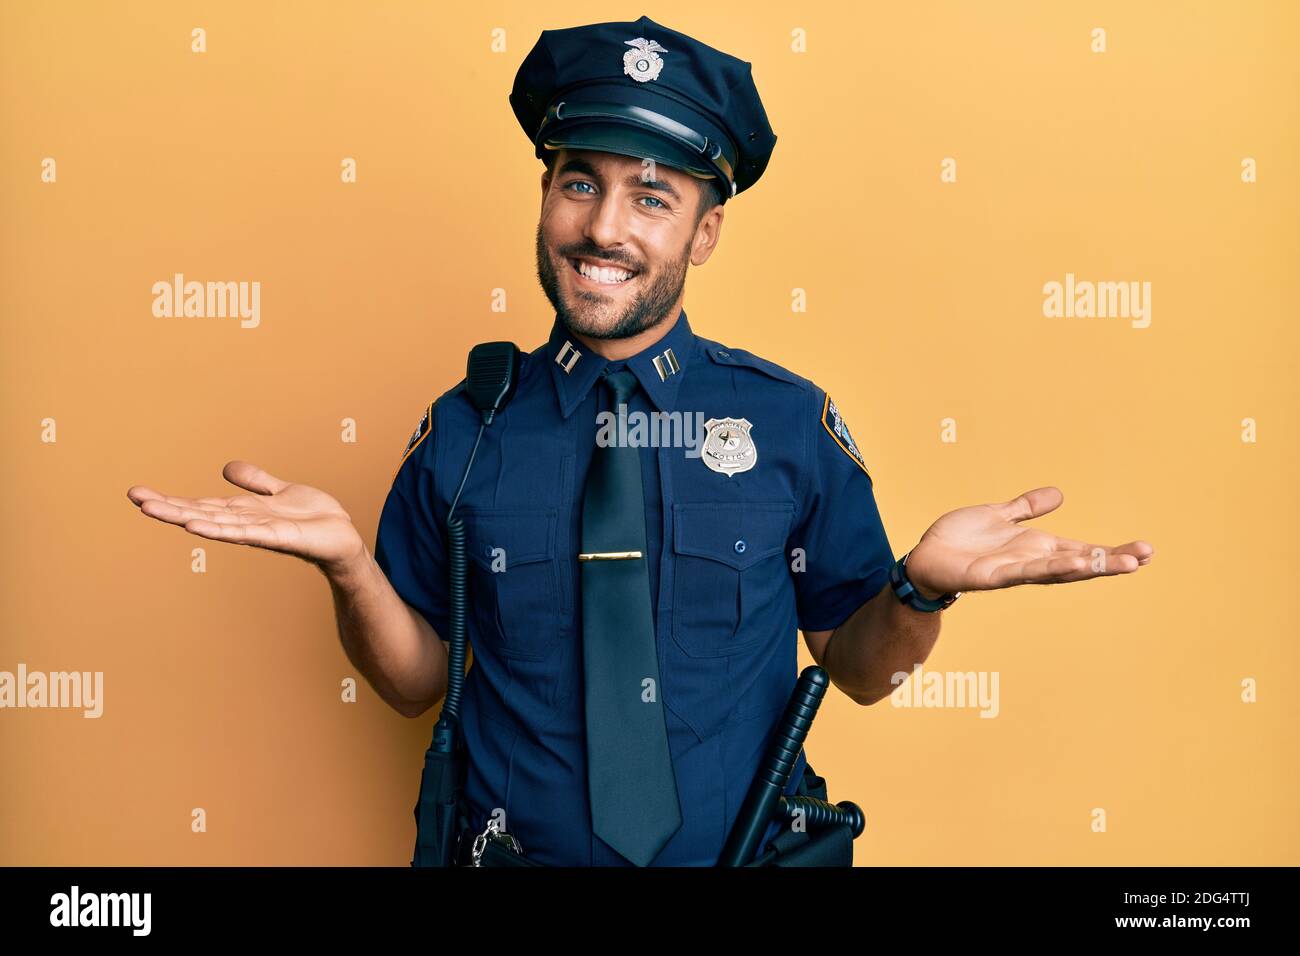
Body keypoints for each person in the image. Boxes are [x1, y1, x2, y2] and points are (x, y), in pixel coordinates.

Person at [126, 15, 1154, 867]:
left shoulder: (786, 420)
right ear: (545, 195)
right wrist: (350, 568)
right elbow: (412, 681)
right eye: (578, 181)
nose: (602, 228)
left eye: (651, 196)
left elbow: (859, 666)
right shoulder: (465, 427)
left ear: (703, 233)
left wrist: (922, 587)